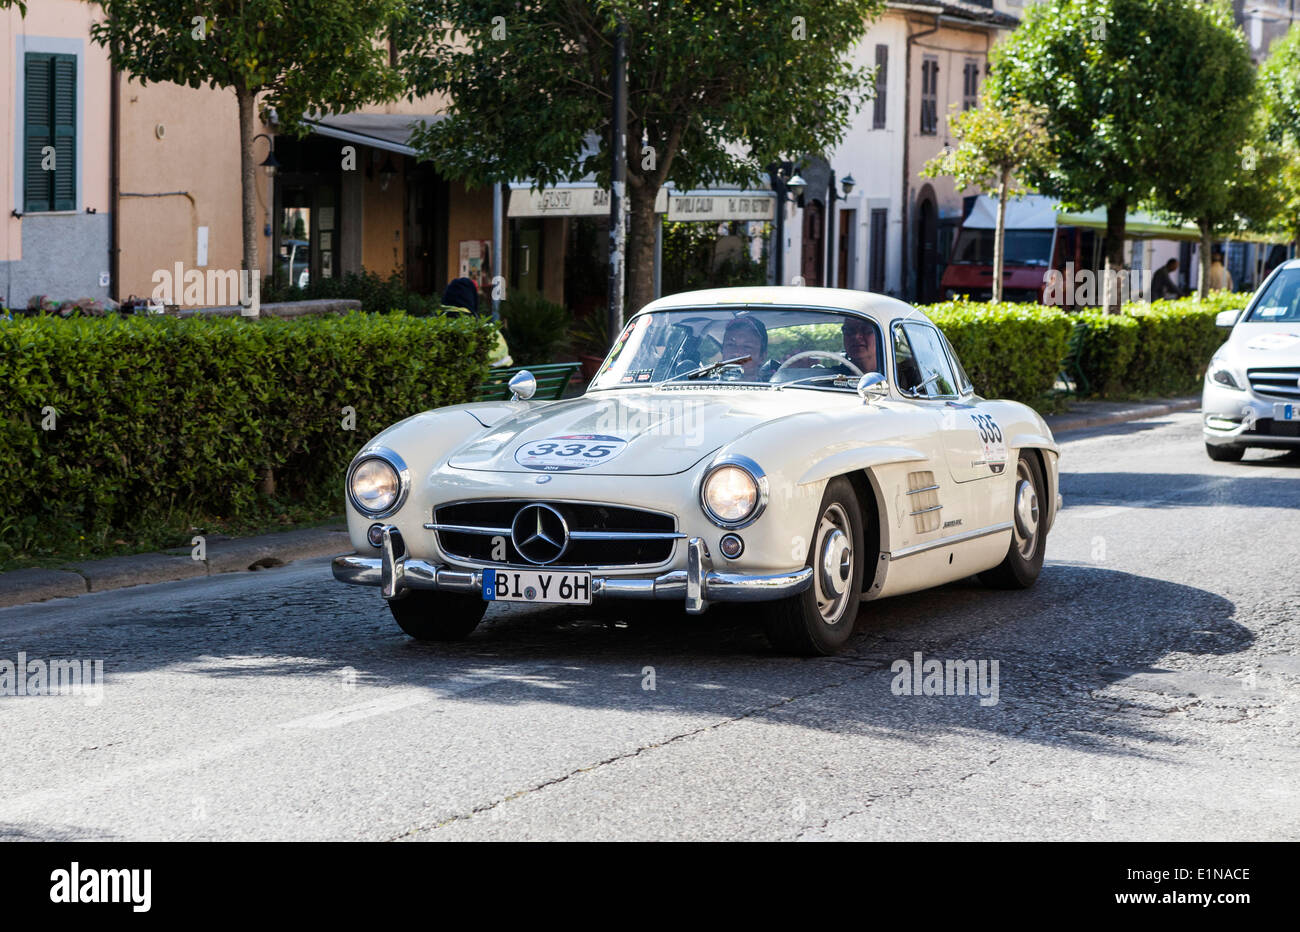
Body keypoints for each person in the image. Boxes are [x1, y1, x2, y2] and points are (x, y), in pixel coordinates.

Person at [719, 315, 769, 380]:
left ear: (762, 357)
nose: (737, 353)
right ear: (722, 351)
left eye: (747, 347)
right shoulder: (705, 385)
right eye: (730, 345)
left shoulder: (773, 388)